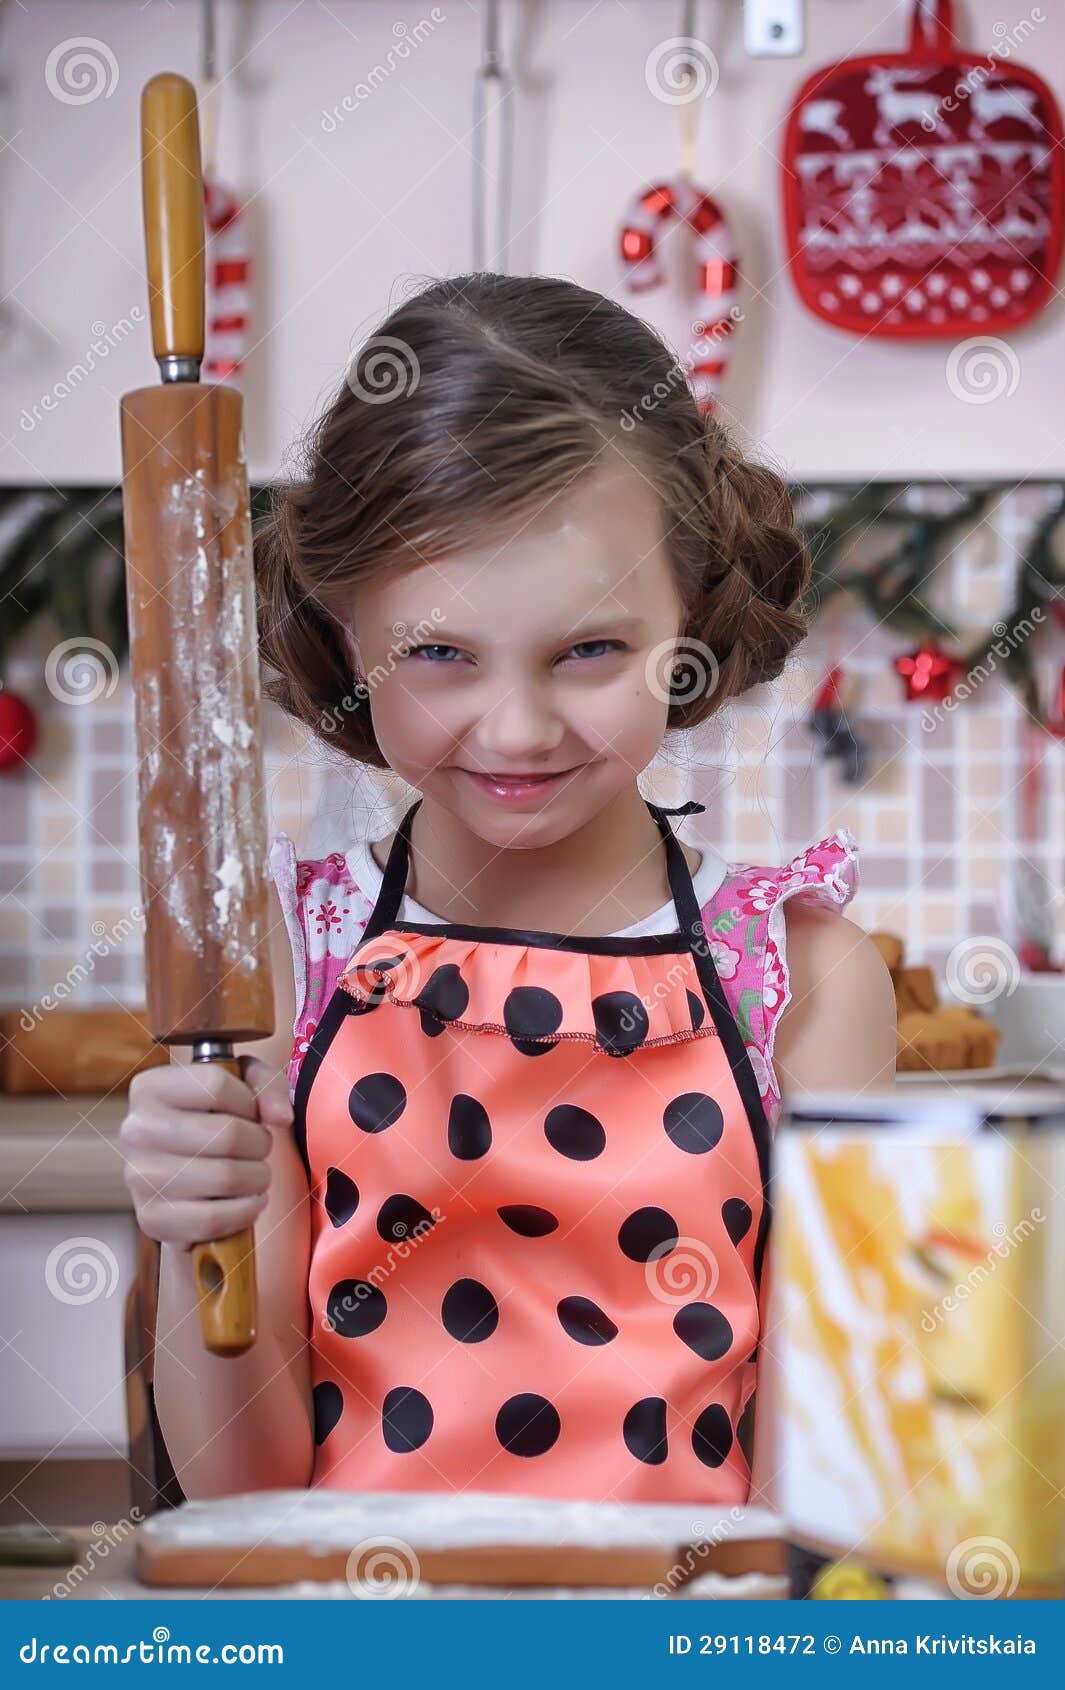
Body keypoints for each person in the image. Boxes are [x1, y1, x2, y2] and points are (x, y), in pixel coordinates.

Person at [121, 273, 896, 1507]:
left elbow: (807, 1496)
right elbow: (236, 1496)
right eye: (437, 653)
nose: (519, 728)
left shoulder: (806, 983)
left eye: (590, 649)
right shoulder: (280, 957)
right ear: (345, 630)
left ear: (687, 613)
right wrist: (188, 1228)